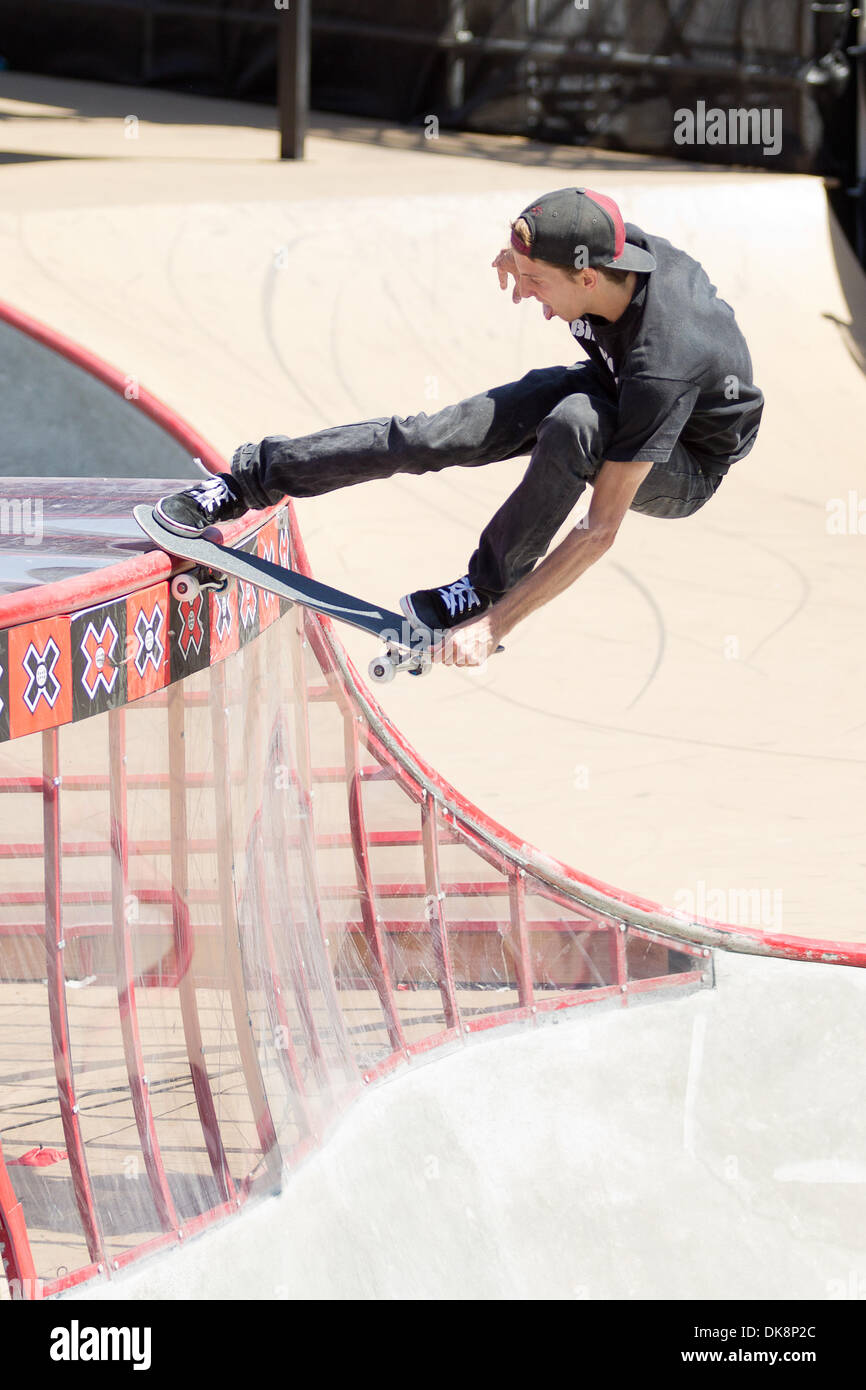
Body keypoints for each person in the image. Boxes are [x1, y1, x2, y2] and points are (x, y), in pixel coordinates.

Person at [154, 187, 763, 668]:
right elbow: (574, 221)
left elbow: (599, 530)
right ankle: (249, 482)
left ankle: (485, 590)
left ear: (586, 278)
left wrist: (493, 628)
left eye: (536, 282)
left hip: (686, 460)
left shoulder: (666, 360)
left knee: (574, 425)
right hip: (613, 386)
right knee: (433, 435)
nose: (527, 296)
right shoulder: (603, 250)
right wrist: (519, 254)